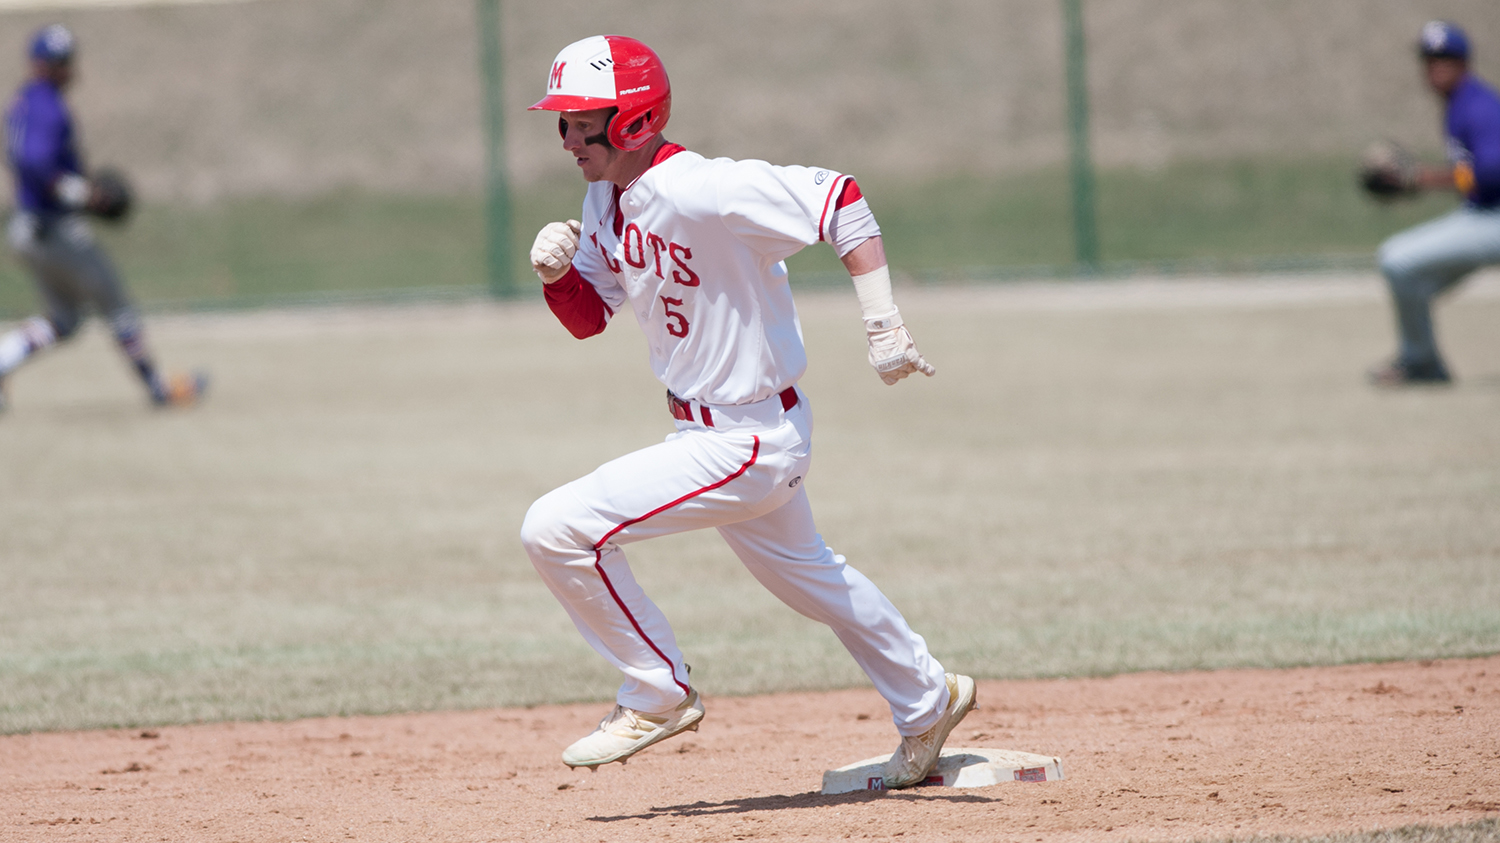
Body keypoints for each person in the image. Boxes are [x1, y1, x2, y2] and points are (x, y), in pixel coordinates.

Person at [518, 35, 973, 788]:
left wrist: (883, 324)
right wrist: (559, 274)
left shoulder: (707, 188)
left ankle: (658, 690)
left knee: (556, 528)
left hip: (747, 435)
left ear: (631, 118)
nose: (566, 138)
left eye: (579, 121)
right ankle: (931, 698)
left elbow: (842, 201)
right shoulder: (603, 196)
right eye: (559, 122)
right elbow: (589, 316)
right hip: (714, 429)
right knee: (814, 581)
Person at [0, 24, 205, 412]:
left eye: (66, 60)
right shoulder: (46, 105)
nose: (65, 69)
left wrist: (78, 192)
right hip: (51, 228)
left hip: (29, 228)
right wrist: (84, 194)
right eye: (56, 62)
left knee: (65, 319)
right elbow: (32, 163)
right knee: (116, 302)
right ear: (37, 64)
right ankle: (157, 386)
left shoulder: (25, 101)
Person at [1368, 20, 1500, 386]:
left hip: (1493, 218)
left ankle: (1421, 361)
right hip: (1483, 216)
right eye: (1429, 59)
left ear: (1464, 63)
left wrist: (1420, 178)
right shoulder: (1459, 103)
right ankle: (1421, 360)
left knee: (1399, 260)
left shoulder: (1478, 106)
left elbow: (1492, 173)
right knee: (1411, 276)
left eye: (1445, 58)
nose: (1435, 66)